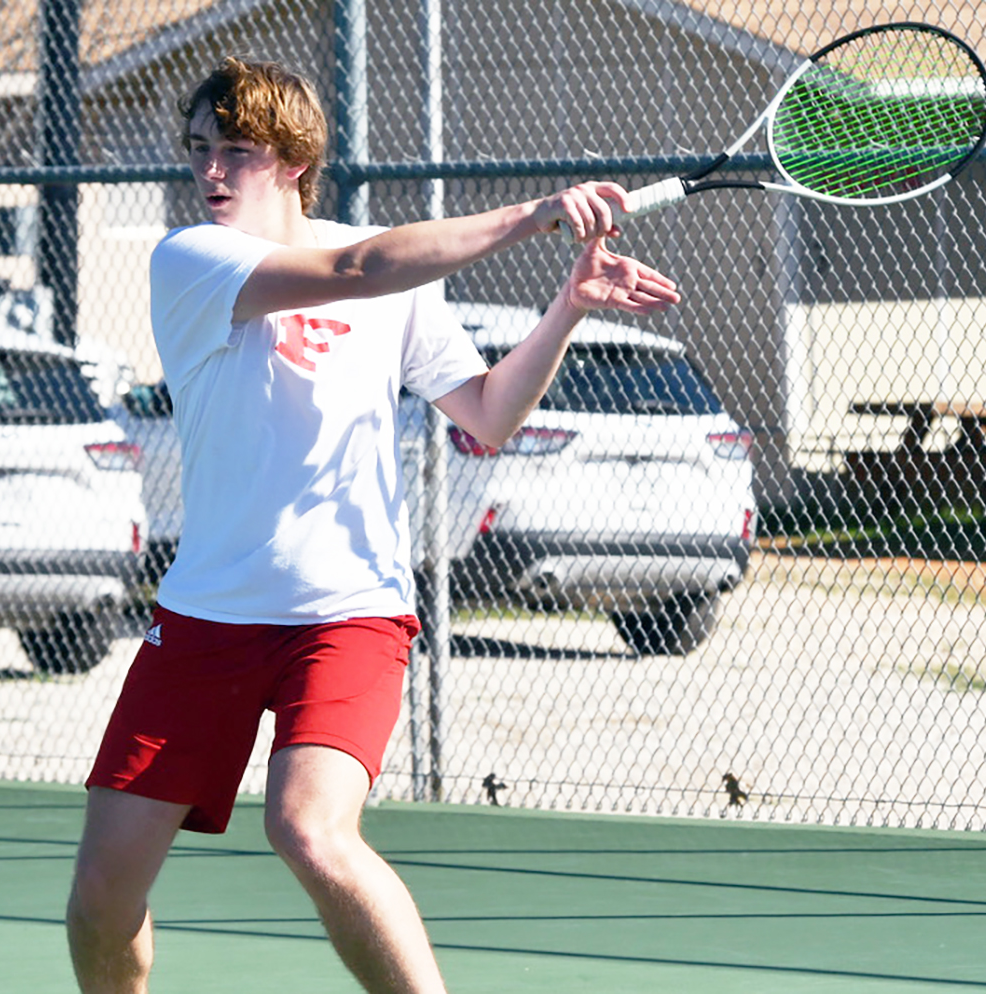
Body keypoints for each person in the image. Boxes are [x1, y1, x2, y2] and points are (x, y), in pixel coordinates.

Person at [65, 55, 681, 994]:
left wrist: (567, 306)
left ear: (295, 160)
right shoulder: (191, 257)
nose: (212, 171)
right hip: (204, 621)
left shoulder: (397, 279)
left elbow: (484, 413)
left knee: (309, 828)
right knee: (101, 903)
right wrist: (534, 214)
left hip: (348, 615)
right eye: (200, 150)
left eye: (237, 150)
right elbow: (356, 267)